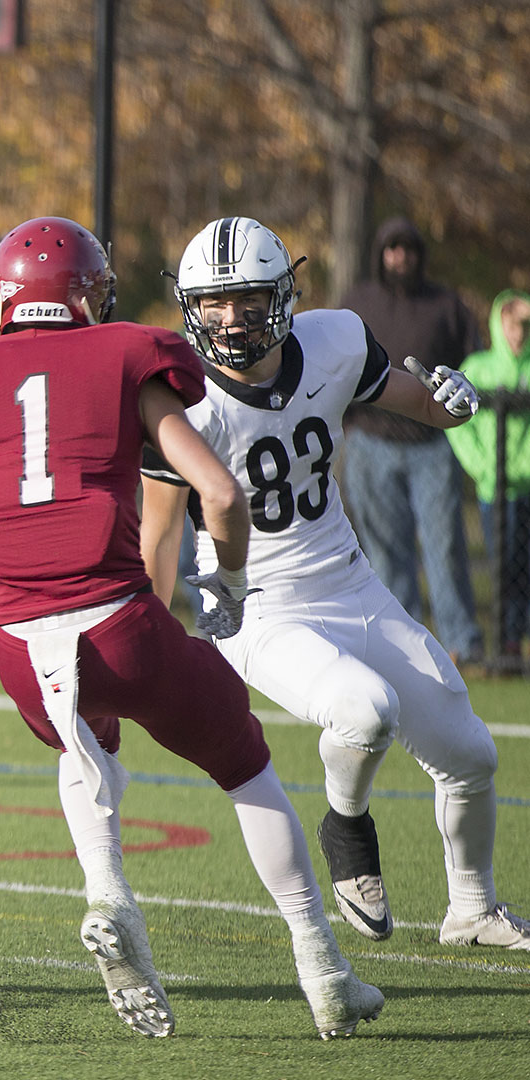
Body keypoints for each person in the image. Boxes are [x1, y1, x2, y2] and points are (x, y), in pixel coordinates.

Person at [0, 216, 382, 1039]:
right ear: (87, 295)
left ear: (2, 300)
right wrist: (231, 587)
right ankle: (323, 967)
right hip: (120, 624)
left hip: (20, 646)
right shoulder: (128, 351)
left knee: (82, 739)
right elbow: (223, 496)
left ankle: (109, 895)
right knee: (244, 763)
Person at [141, 215, 526, 954]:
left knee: (471, 754)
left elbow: (416, 404)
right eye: (214, 303)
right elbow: (157, 535)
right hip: (254, 605)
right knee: (366, 711)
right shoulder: (181, 397)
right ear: (188, 307)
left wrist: (452, 402)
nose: (230, 319)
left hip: (350, 584)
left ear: (283, 294)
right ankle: (347, 826)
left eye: (248, 299)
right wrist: (153, 644)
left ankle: (472, 909)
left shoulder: (336, 339)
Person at [340, 217, 484, 665]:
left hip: (432, 446)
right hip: (371, 443)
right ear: (380, 254)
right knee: (387, 549)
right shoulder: (359, 302)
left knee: (444, 545)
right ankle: (401, 642)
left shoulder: (445, 304)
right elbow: (338, 365)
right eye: (391, 248)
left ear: (420, 254)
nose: (400, 257)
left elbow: (474, 363)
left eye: (408, 248)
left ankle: (464, 643)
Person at [446, 290, 530, 671]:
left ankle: (516, 643)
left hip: (527, 489)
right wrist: (482, 465)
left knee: (524, 567)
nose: (518, 334)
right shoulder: (478, 369)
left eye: (525, 327)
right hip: (491, 490)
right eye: (513, 325)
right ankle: (501, 645)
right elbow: (457, 425)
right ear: (500, 324)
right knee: (501, 567)